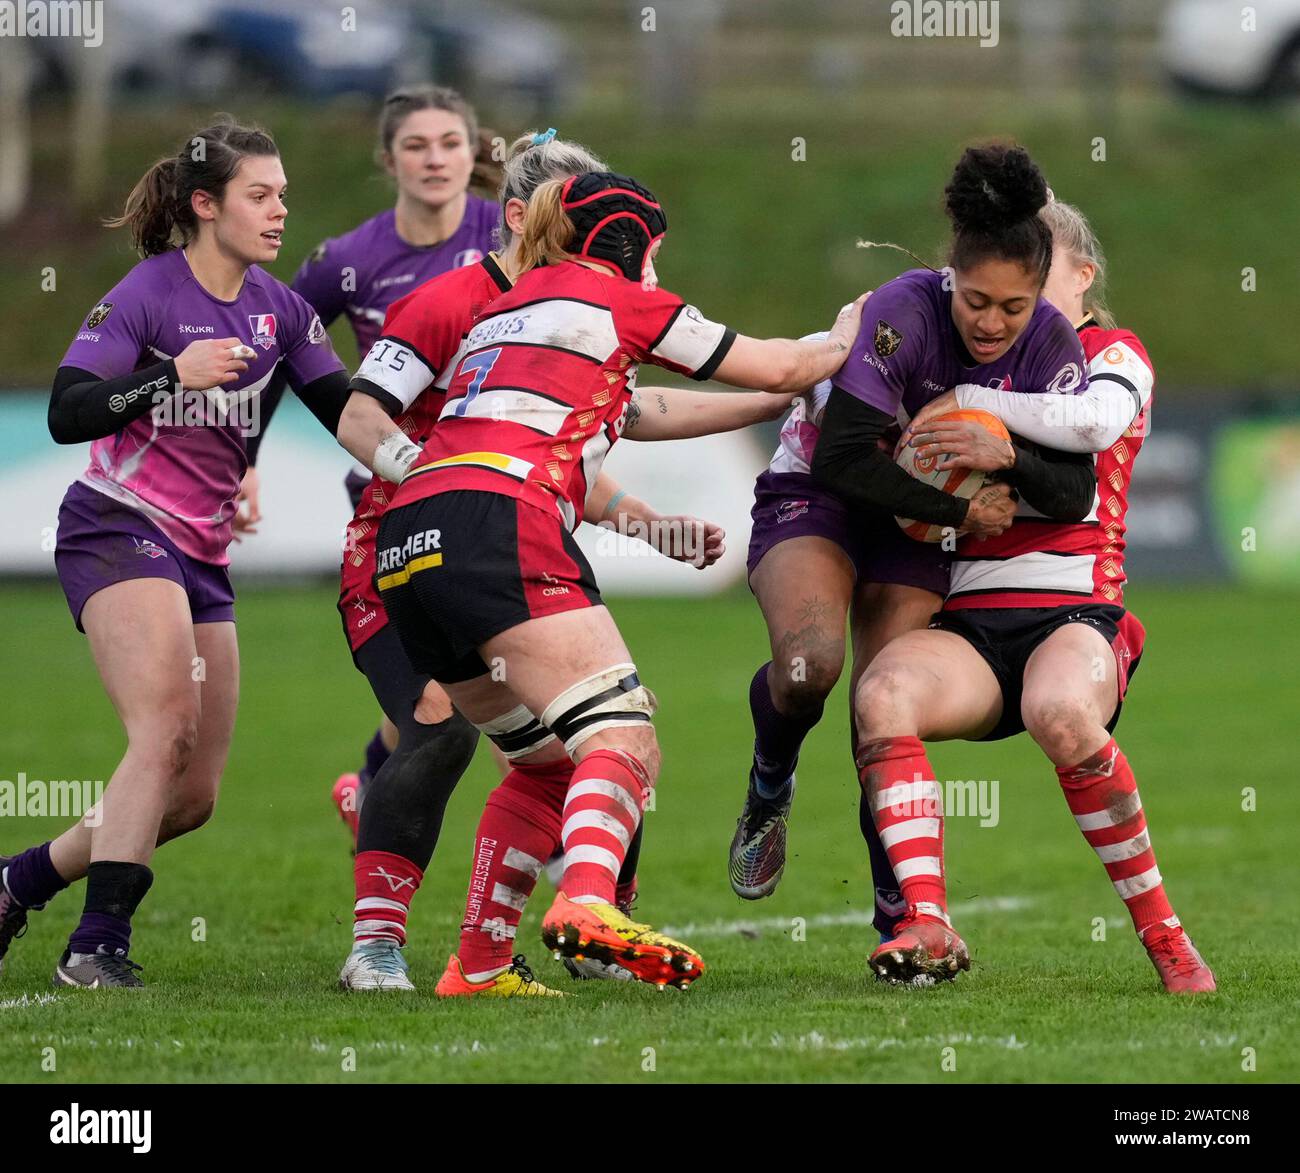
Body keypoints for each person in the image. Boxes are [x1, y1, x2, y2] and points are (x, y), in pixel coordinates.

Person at [351, 169, 866, 993]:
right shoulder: (625, 300)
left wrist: (779, 394)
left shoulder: (505, 309)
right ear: (641, 247)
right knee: (624, 733)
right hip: (502, 522)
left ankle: (478, 964)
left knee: (545, 764)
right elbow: (769, 364)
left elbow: (635, 410)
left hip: (408, 540)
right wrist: (845, 337)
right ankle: (588, 898)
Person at [0, 118, 353, 987]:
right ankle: (96, 948)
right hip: (114, 524)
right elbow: (67, 410)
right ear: (205, 204)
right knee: (162, 730)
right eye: (259, 195)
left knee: (189, 794)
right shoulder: (144, 295)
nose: (279, 212)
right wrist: (171, 374)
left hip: (202, 554)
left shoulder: (286, 310)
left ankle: (19, 881)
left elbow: (349, 411)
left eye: (282, 197)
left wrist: (428, 457)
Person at [859, 196, 1216, 993]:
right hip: (972, 624)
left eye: (1037, 265)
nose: (1010, 286)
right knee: (882, 689)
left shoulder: (1112, 352)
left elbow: (1092, 420)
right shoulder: (963, 361)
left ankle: (1165, 935)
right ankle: (927, 920)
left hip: (1076, 612)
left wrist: (974, 412)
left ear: (1082, 276)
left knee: (1058, 712)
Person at [729, 144, 1082, 928]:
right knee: (808, 667)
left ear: (1038, 297)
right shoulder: (901, 315)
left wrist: (1012, 457)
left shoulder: (1053, 345)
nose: (992, 324)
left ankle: (900, 913)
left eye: (1013, 308)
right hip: (821, 495)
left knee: (881, 705)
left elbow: (1074, 490)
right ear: (950, 278)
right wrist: (963, 511)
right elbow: (844, 454)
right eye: (976, 301)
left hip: (915, 527)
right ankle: (769, 782)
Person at [287, 84, 502, 826]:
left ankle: (370, 783)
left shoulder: (510, 237)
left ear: (475, 154)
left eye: (450, 143)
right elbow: (280, 343)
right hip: (395, 493)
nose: (435, 158)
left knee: (456, 680)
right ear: (389, 159)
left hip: (497, 480)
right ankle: (569, 872)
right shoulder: (346, 259)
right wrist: (245, 460)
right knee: (496, 682)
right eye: (416, 145)